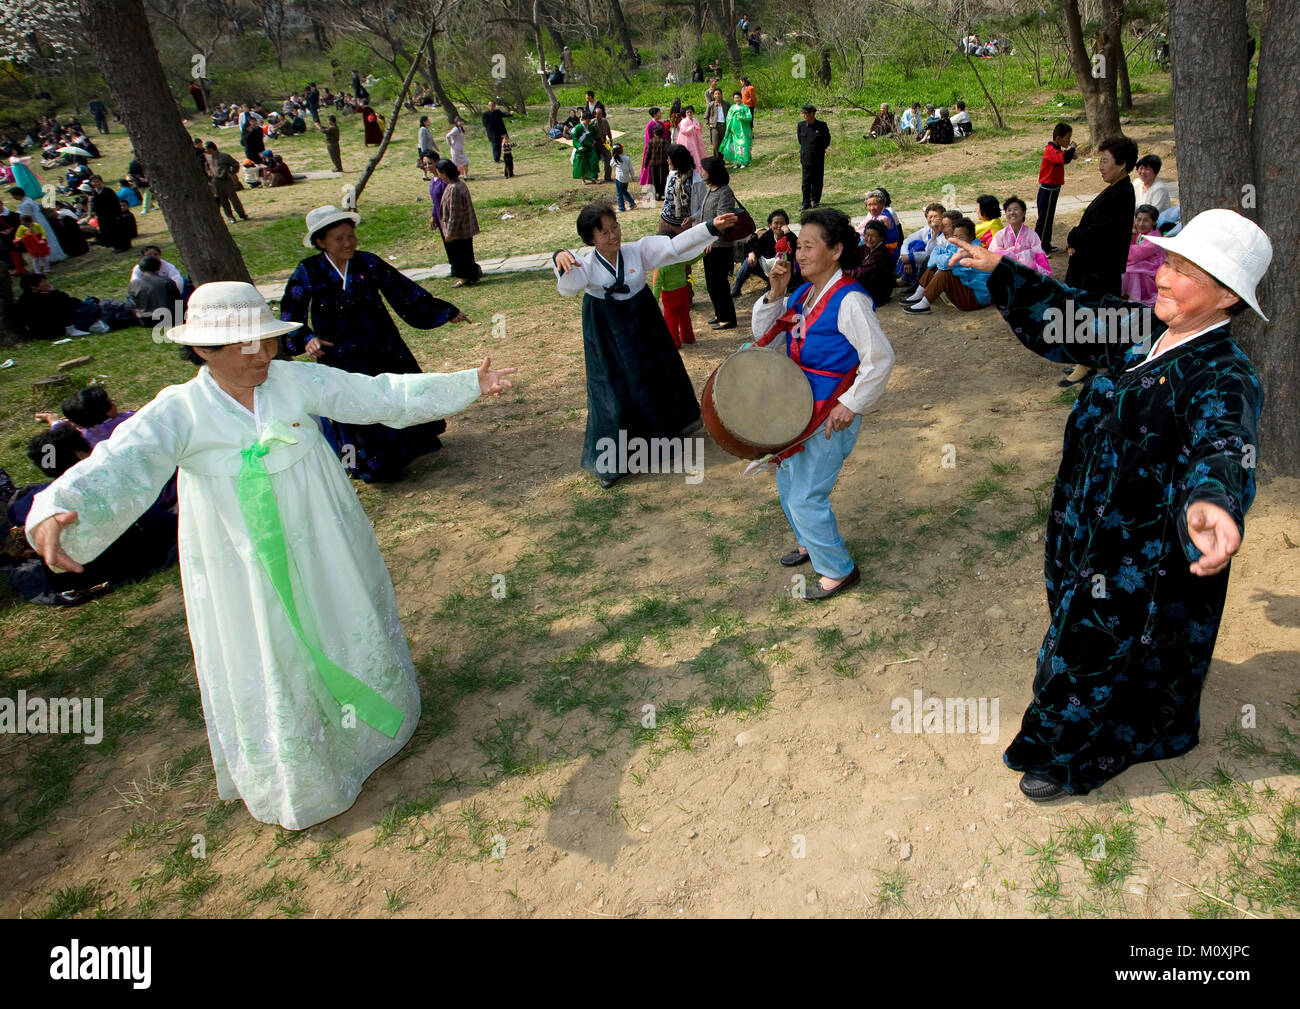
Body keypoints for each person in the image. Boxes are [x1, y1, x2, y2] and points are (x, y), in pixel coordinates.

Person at [28, 281, 513, 826]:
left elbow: (378, 396)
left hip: (322, 534)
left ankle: (369, 725)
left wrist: (464, 384)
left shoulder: (294, 380)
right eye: (241, 344)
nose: (260, 353)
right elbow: (120, 461)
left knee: (338, 608)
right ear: (203, 350)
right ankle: (303, 762)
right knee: (269, 634)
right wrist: (56, 508)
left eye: (265, 339)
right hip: (241, 555)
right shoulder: (181, 411)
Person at [945, 209, 1270, 801]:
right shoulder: (1143, 327)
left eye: (1184, 271)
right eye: (1169, 262)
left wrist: (1212, 504)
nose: (1163, 277)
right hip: (1086, 516)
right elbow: (1071, 315)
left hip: (1139, 554)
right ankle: (1155, 717)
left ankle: (1068, 752)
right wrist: (1002, 270)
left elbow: (1223, 446)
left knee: (1093, 645)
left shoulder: (1224, 375)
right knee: (1093, 629)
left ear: (1226, 297)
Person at [749, 208, 895, 600]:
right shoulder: (802, 293)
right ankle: (808, 543)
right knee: (787, 479)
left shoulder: (849, 300)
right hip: (797, 406)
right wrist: (776, 294)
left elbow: (880, 358)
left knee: (805, 495)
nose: (800, 253)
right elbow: (770, 340)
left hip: (830, 413)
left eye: (810, 246)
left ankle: (837, 569)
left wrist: (851, 404)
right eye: (798, 246)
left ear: (835, 251)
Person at [280, 205, 475, 484]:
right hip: (340, 354)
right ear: (320, 243)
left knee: (396, 392)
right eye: (339, 239)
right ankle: (364, 463)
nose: (348, 243)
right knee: (351, 403)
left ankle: (410, 448)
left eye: (351, 236)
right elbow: (290, 314)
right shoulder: (308, 272)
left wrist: (444, 311)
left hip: (383, 345)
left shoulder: (368, 262)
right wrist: (307, 338)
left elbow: (404, 291)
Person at [551, 202, 738, 488]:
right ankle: (611, 461)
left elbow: (674, 248)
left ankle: (662, 440)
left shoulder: (636, 251)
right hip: (606, 330)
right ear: (591, 240)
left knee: (657, 376)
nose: (613, 236)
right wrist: (559, 257)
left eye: (615, 228)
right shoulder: (585, 264)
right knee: (612, 388)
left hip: (643, 322)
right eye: (604, 233)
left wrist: (710, 227)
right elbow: (569, 286)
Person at [1066, 135, 1139, 296]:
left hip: (1098, 277)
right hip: (1089, 272)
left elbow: (1098, 234)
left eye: (1105, 161)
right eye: (1100, 161)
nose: (1100, 166)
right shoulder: (1115, 189)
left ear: (1122, 164)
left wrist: (1073, 237)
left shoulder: (1122, 194)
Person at [901, 217, 991, 313]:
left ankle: (924, 304)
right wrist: (940, 261)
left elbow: (946, 262)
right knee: (935, 268)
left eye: (961, 237)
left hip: (975, 298)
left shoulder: (972, 250)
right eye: (955, 236)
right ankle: (919, 295)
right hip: (966, 288)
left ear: (971, 237)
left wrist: (939, 261)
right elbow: (932, 258)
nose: (957, 239)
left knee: (945, 273)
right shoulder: (955, 245)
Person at [436, 160, 482, 287]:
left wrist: (450, 233)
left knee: (461, 255)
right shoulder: (458, 184)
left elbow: (455, 214)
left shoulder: (454, 188)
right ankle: (471, 275)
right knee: (466, 254)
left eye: (440, 173)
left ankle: (464, 277)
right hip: (463, 229)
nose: (439, 176)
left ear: (445, 173)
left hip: (459, 231)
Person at [731, 208, 794, 298]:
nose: (779, 226)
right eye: (776, 223)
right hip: (767, 270)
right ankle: (736, 290)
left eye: (782, 223)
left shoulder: (791, 237)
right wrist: (751, 253)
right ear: (770, 225)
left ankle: (772, 288)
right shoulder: (767, 236)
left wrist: (787, 233)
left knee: (769, 294)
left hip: (783, 274)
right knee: (748, 260)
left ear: (787, 224)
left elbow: (794, 249)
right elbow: (755, 246)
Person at [1035, 122, 1077, 253]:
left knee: (1049, 218)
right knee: (1044, 219)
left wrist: (1072, 154)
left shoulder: (1057, 150)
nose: (1069, 141)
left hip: (1054, 190)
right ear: (1058, 138)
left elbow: (1065, 159)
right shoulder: (1050, 150)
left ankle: (1046, 244)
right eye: (1067, 138)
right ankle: (1038, 247)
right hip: (1047, 190)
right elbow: (1062, 159)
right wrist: (1072, 149)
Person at [988, 196, 1050, 275]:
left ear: (1024, 213)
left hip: (1027, 275)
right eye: (1009, 210)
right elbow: (993, 254)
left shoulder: (1032, 235)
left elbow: (1039, 255)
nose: (1012, 213)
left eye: (1015, 209)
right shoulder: (1000, 235)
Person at [7, 185, 67, 263]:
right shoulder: (29, 200)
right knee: (49, 238)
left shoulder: (25, 204)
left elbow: (27, 217)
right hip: (41, 221)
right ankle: (54, 256)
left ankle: (51, 258)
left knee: (43, 241)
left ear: (17, 195)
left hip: (36, 223)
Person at [15, 273, 85, 338]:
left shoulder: (28, 297)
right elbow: (63, 297)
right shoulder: (33, 299)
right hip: (49, 330)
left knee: (71, 300)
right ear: (32, 286)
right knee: (66, 302)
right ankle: (71, 329)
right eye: (43, 282)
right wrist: (52, 291)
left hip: (39, 331)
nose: (47, 284)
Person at [1121, 203, 1166, 305]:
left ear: (1154, 222)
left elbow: (1135, 254)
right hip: (1144, 262)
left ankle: (1135, 297)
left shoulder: (1154, 237)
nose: (1141, 223)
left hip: (1154, 268)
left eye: (1146, 220)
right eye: (1138, 219)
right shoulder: (1141, 233)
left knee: (1132, 269)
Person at [897, 202, 947, 292]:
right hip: (920, 263)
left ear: (942, 218)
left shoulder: (945, 234)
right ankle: (904, 276)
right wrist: (906, 259)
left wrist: (910, 257)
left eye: (936, 216)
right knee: (915, 244)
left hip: (935, 265)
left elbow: (930, 255)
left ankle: (911, 281)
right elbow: (906, 241)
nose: (933, 219)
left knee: (918, 248)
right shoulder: (926, 230)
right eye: (930, 217)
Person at [659, 144, 703, 237]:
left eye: (669, 158)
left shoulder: (697, 181)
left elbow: (703, 206)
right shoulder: (672, 176)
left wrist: (692, 218)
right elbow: (667, 200)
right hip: (665, 223)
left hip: (684, 228)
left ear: (677, 161)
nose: (667, 161)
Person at [853, 220, 895, 308]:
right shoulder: (866, 249)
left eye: (873, 236)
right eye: (867, 235)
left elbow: (861, 273)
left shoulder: (881, 254)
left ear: (881, 238)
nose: (869, 239)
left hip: (877, 295)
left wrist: (843, 271)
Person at [204, 142, 249, 224]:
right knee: (223, 201)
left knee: (234, 199)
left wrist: (231, 173)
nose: (205, 150)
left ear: (211, 148)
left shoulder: (224, 156)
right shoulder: (207, 157)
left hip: (226, 181)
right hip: (215, 181)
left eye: (206, 148)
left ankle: (242, 214)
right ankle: (230, 217)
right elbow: (207, 166)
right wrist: (210, 174)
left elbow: (235, 164)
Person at [797, 104, 830, 211]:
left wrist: (819, 150)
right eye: (803, 113)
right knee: (806, 181)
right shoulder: (801, 125)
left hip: (818, 157)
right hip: (806, 157)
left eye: (806, 113)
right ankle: (805, 202)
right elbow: (800, 140)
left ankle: (815, 200)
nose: (804, 115)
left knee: (817, 180)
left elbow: (827, 140)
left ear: (812, 114)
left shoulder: (822, 125)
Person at [858, 188, 902, 266]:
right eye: (869, 205)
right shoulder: (874, 215)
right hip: (877, 249)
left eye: (874, 204)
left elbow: (865, 231)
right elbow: (862, 226)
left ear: (882, 204)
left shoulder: (884, 218)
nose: (871, 208)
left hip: (887, 253)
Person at [88, 174, 132, 252]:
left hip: (112, 215)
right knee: (109, 232)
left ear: (101, 181)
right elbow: (93, 204)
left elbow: (116, 204)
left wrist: (118, 215)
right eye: (94, 182)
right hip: (102, 216)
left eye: (97, 181)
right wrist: (94, 213)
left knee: (117, 231)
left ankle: (123, 246)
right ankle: (115, 246)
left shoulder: (108, 191)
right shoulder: (94, 193)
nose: (96, 183)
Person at [720, 91, 753, 168]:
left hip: (743, 131)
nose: (736, 99)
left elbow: (749, 117)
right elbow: (728, 118)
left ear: (741, 98)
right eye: (735, 98)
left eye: (738, 97)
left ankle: (744, 162)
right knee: (735, 146)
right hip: (734, 131)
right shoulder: (732, 108)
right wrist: (729, 127)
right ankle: (737, 162)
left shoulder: (745, 107)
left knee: (743, 145)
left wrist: (742, 118)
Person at [570, 110, 600, 184]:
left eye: (590, 119)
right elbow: (575, 139)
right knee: (582, 164)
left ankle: (594, 178)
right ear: (584, 119)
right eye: (588, 119)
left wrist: (593, 142)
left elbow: (593, 135)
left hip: (590, 148)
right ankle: (583, 179)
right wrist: (580, 147)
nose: (589, 120)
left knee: (594, 161)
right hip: (582, 149)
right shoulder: (578, 127)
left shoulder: (590, 127)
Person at [675, 105, 706, 173]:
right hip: (688, 140)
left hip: (695, 139)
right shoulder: (684, 121)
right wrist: (691, 127)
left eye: (691, 112)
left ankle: (698, 168)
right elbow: (683, 130)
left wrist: (699, 126)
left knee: (698, 152)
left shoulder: (694, 119)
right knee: (692, 153)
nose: (689, 114)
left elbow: (698, 128)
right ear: (685, 113)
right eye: (687, 112)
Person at [638, 107, 664, 188]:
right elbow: (648, 139)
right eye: (659, 113)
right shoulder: (650, 125)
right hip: (653, 149)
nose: (661, 114)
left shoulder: (661, 124)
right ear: (655, 114)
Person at [645, 123, 669, 202]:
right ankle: (661, 194)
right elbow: (667, 153)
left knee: (653, 180)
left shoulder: (651, 141)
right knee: (662, 179)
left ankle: (654, 195)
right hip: (663, 164)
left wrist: (645, 165)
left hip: (653, 164)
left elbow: (648, 154)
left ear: (654, 133)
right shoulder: (665, 141)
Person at [591, 107, 614, 181]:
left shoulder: (605, 121)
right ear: (595, 115)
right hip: (596, 143)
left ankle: (608, 177)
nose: (600, 116)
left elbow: (608, 132)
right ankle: (594, 176)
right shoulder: (592, 123)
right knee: (595, 159)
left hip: (605, 142)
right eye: (599, 114)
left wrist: (611, 141)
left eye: (601, 114)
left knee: (608, 158)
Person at [611, 144, 634, 212]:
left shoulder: (615, 158)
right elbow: (631, 168)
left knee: (619, 193)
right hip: (626, 177)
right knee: (624, 191)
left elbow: (611, 165)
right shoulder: (627, 157)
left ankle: (621, 207)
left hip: (619, 178)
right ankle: (632, 203)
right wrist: (632, 176)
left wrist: (612, 157)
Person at [706, 89, 728, 157]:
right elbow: (706, 116)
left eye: (719, 93)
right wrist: (709, 123)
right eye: (716, 94)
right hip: (715, 126)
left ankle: (722, 160)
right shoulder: (711, 104)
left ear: (721, 94)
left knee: (723, 143)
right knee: (715, 145)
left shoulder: (726, 104)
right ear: (714, 96)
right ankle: (716, 159)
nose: (717, 95)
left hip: (724, 126)